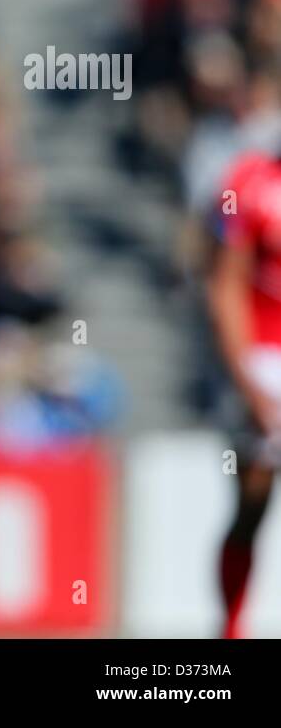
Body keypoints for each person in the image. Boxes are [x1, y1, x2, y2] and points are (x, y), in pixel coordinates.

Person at [207, 149, 281, 638]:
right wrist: (247, 381)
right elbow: (225, 285)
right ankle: (232, 626)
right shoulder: (250, 180)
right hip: (265, 359)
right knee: (253, 500)